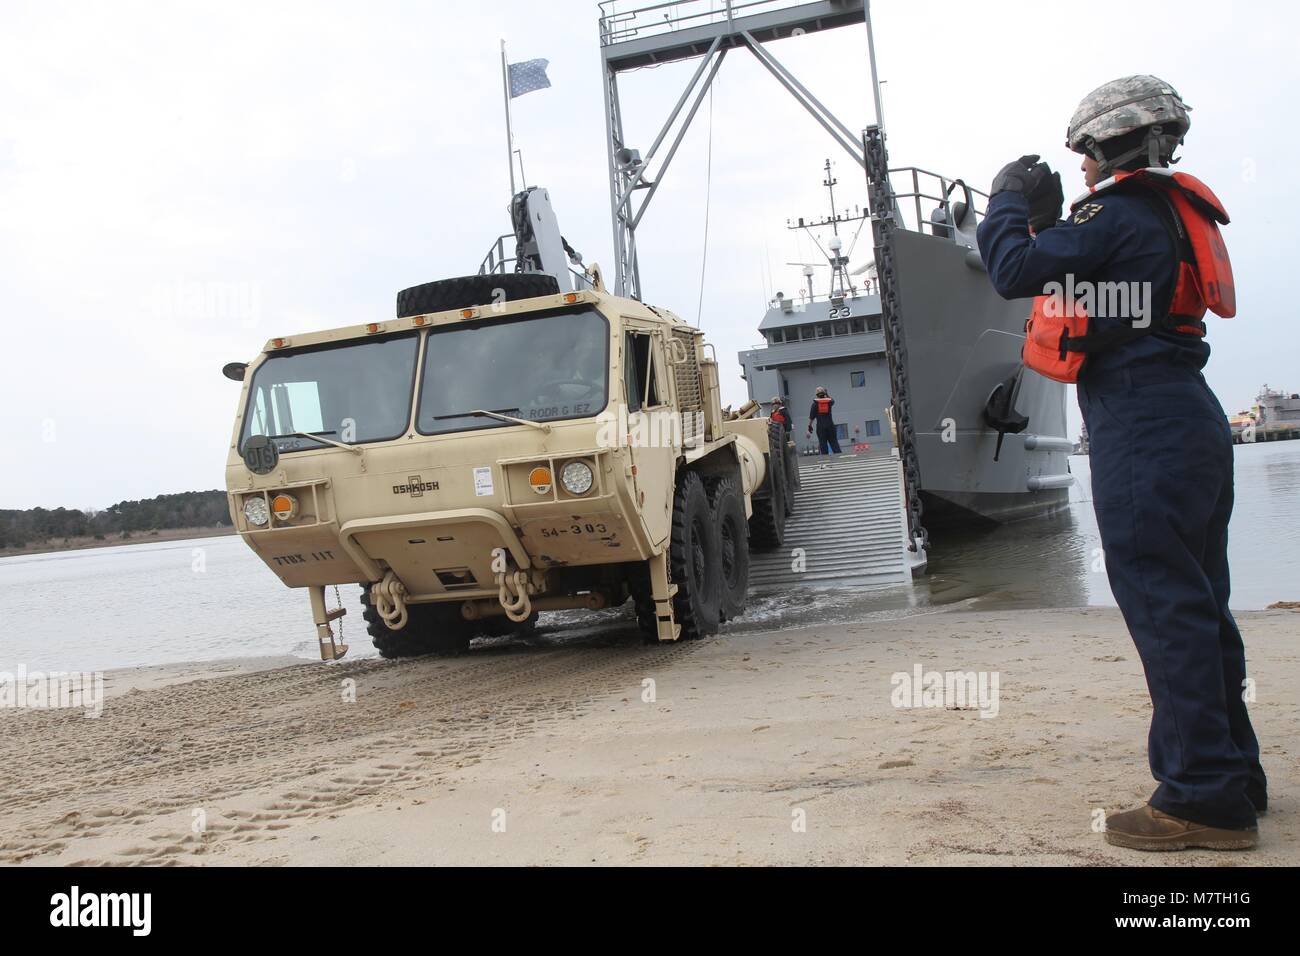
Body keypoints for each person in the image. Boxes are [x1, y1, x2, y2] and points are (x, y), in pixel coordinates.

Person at [976, 76, 1265, 851]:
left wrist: (1005, 202)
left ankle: (1202, 800)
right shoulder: (1167, 215)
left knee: (1167, 609)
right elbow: (1085, 274)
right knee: (1202, 602)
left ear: (1110, 147)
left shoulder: (1115, 213)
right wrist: (1049, 225)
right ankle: (1236, 775)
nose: (1080, 171)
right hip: (1190, 413)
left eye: (1084, 156)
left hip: (1140, 421)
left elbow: (1012, 271)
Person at [807, 386, 841, 455]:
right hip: (830, 426)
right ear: (824, 393)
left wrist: (809, 426)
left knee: (823, 444)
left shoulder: (815, 404)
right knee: (834, 443)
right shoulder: (829, 402)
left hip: (820, 427)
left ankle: (826, 460)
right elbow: (832, 400)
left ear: (816, 395)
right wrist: (827, 394)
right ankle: (839, 458)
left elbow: (811, 417)